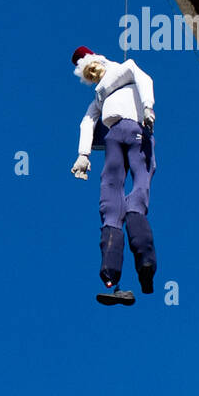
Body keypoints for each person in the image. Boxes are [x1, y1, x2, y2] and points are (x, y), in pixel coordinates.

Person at [69, 46, 157, 306]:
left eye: (93, 69)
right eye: (90, 75)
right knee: (111, 202)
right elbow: (87, 121)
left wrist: (148, 108)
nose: (95, 76)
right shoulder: (98, 97)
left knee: (135, 194)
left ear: (98, 61)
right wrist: (83, 154)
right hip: (113, 138)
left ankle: (144, 263)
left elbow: (144, 78)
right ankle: (113, 276)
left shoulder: (123, 68)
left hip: (134, 129)